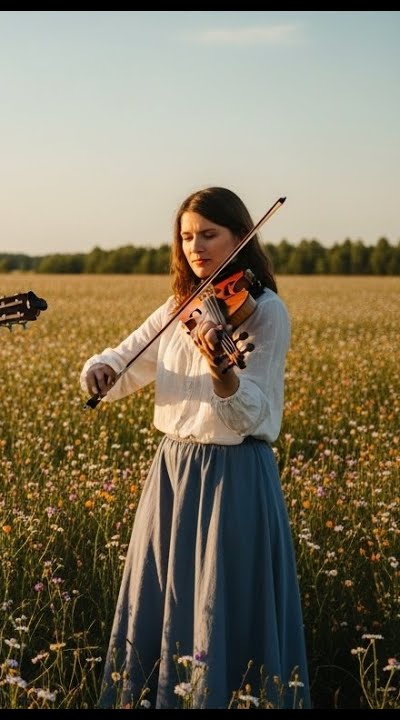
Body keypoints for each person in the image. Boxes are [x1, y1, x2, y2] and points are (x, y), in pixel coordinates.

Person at [80, 186, 310, 709]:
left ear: (238, 237)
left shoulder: (265, 312)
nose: (196, 246)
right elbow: (124, 358)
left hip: (236, 475)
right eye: (187, 236)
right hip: (174, 470)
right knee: (164, 605)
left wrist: (221, 372)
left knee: (226, 607)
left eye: (209, 234)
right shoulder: (178, 307)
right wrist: (100, 370)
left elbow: (250, 411)